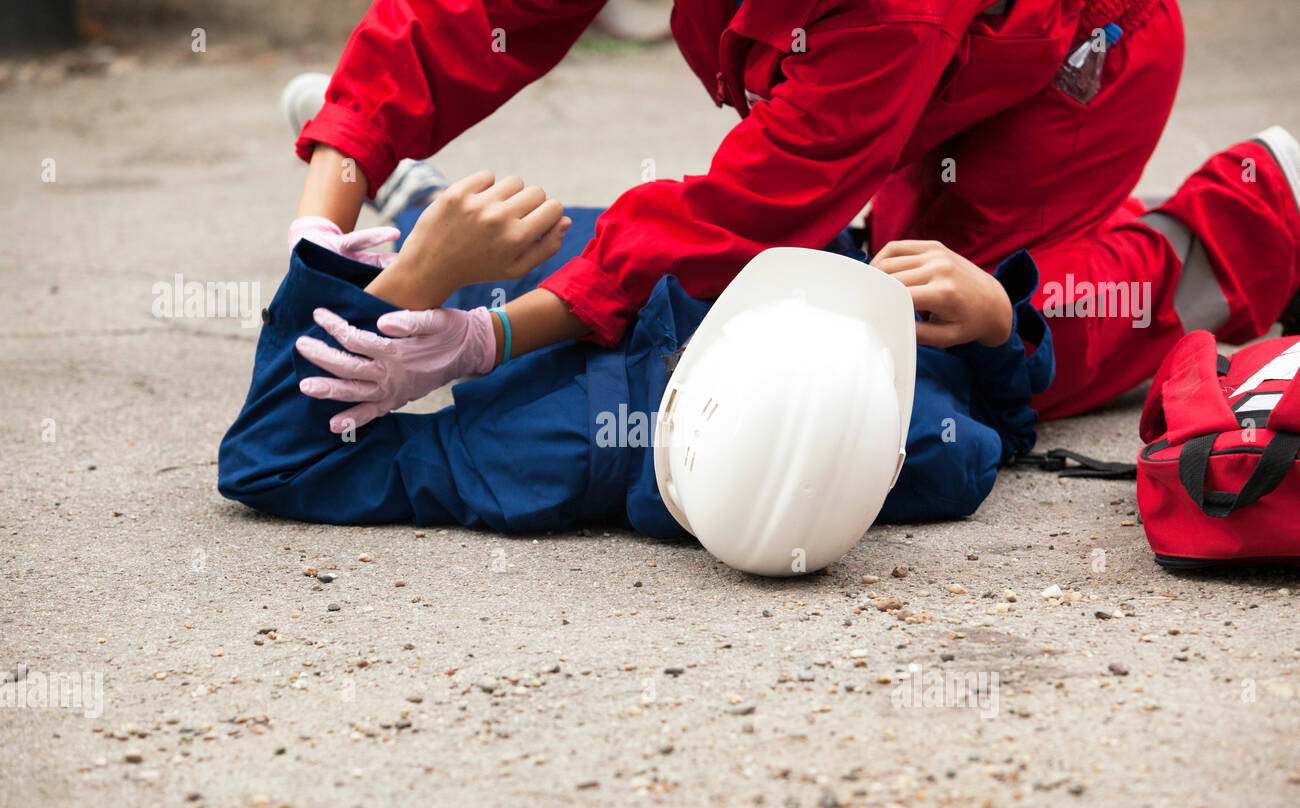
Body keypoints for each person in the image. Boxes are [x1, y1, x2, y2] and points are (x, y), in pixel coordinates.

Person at [283, 0, 1300, 423]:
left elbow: (744, 217)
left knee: (946, 332)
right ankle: (423, 211)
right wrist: (321, 214)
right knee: (834, 275)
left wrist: (484, 336)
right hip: (924, 76)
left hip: (1081, 69)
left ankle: (1243, 223)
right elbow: (475, 18)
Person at [218, 173, 1054, 557]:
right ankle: (417, 205)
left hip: (514, 271)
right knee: (582, 225)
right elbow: (1007, 427)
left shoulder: (546, 458)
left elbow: (272, 463)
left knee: (496, 231)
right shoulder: (923, 447)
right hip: (627, 244)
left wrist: (403, 284)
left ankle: (406, 208)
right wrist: (992, 322)